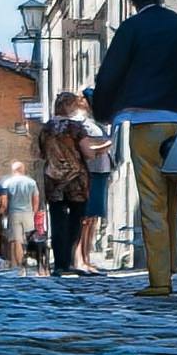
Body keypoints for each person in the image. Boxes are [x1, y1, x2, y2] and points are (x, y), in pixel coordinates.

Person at [85, 0, 177, 297]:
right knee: (175, 192)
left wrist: (102, 110)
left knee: (153, 198)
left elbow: (110, 75)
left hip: (147, 123)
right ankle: (173, 263)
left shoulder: (131, 29)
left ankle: (161, 279)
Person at [33, 92, 105, 276]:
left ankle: (59, 264)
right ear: (70, 106)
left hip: (53, 178)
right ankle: (71, 261)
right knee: (75, 220)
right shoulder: (75, 127)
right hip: (75, 179)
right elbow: (88, 153)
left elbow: (40, 153)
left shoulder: (45, 128)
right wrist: (102, 148)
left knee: (57, 221)